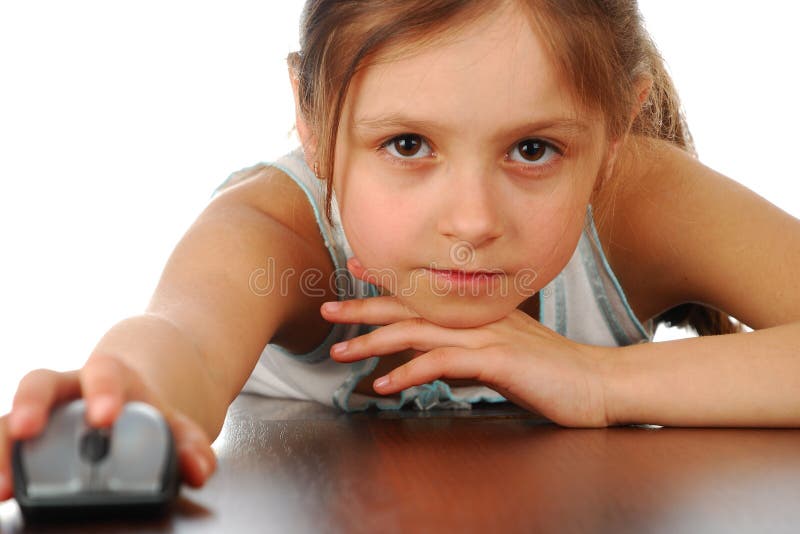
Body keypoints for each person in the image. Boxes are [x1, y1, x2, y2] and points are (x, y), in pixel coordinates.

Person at [2, 0, 799, 497]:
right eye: (409, 143)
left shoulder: (637, 198)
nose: (472, 220)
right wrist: (127, 396)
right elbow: (184, 338)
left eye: (532, 150)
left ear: (616, 128)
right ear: (313, 124)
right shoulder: (283, 232)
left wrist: (598, 379)